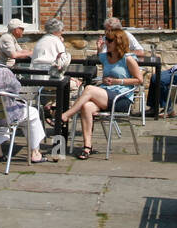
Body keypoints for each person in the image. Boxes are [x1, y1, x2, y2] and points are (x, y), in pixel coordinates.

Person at [59, 28, 142, 159]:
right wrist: (99, 48)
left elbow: (139, 80)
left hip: (121, 99)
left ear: (118, 42)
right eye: (105, 39)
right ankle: (87, 147)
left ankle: (67, 115)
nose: (106, 42)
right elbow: (100, 58)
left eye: (109, 40)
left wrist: (117, 81)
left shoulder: (128, 59)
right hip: (106, 95)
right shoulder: (106, 57)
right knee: (86, 107)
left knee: (89, 89)